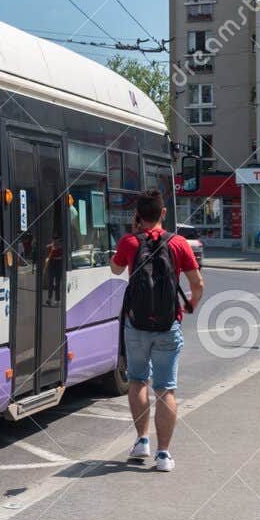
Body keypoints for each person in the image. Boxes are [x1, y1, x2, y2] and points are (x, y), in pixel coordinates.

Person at [109, 188, 204, 474]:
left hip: (136, 325)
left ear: (138, 215)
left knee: (138, 380)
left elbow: (115, 270)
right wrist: (190, 306)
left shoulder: (129, 242)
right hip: (167, 324)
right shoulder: (179, 244)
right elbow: (198, 284)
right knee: (166, 389)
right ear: (164, 212)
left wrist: (132, 235)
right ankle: (163, 455)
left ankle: (142, 441)